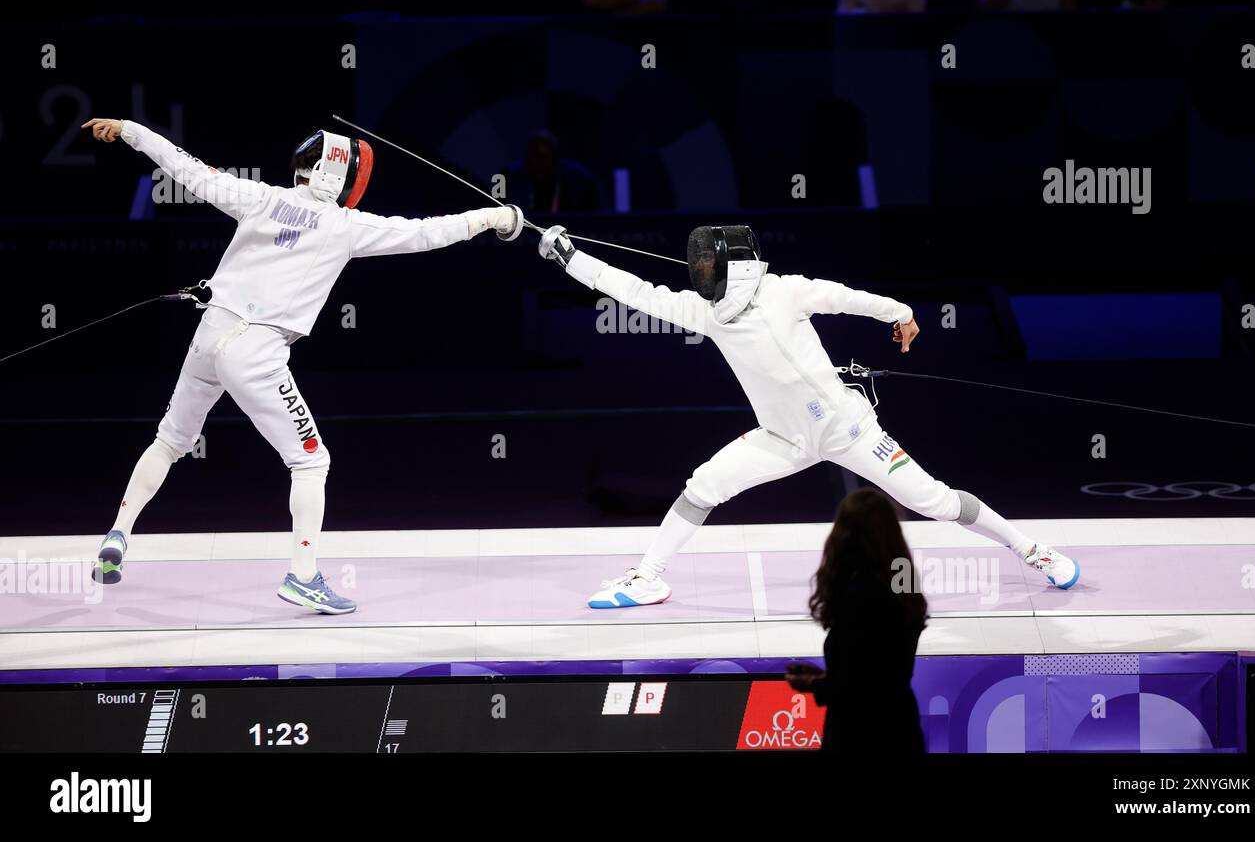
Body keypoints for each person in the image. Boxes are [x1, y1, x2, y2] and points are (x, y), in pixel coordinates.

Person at [80, 117, 521, 614]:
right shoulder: (346, 226)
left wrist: (129, 129)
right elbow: (423, 234)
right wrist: (494, 218)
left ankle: (119, 531)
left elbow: (186, 168)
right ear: (338, 177)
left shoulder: (260, 197)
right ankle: (303, 576)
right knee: (311, 461)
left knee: (170, 440)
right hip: (258, 353)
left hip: (209, 335)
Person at [535, 223, 1080, 607]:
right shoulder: (705, 312)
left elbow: (848, 297)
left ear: (734, 265)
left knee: (933, 500)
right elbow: (634, 291)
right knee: (703, 485)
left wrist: (903, 314)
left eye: (707, 263)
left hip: (850, 430)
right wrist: (571, 258)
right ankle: (647, 577)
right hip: (782, 438)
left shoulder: (785, 291)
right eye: (696, 263)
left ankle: (1029, 548)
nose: (698, 271)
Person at [786, 488, 926, 753]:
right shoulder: (904, 578)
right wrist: (829, 676)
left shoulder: (859, 595)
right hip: (901, 729)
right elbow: (878, 666)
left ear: (845, 537)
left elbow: (860, 689)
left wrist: (816, 684)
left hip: (858, 736)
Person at [504, 130, 601, 213]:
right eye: (534, 155)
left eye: (544, 155)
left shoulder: (579, 179)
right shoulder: (510, 177)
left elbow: (596, 216)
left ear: (555, 156)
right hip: (523, 231)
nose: (539, 162)